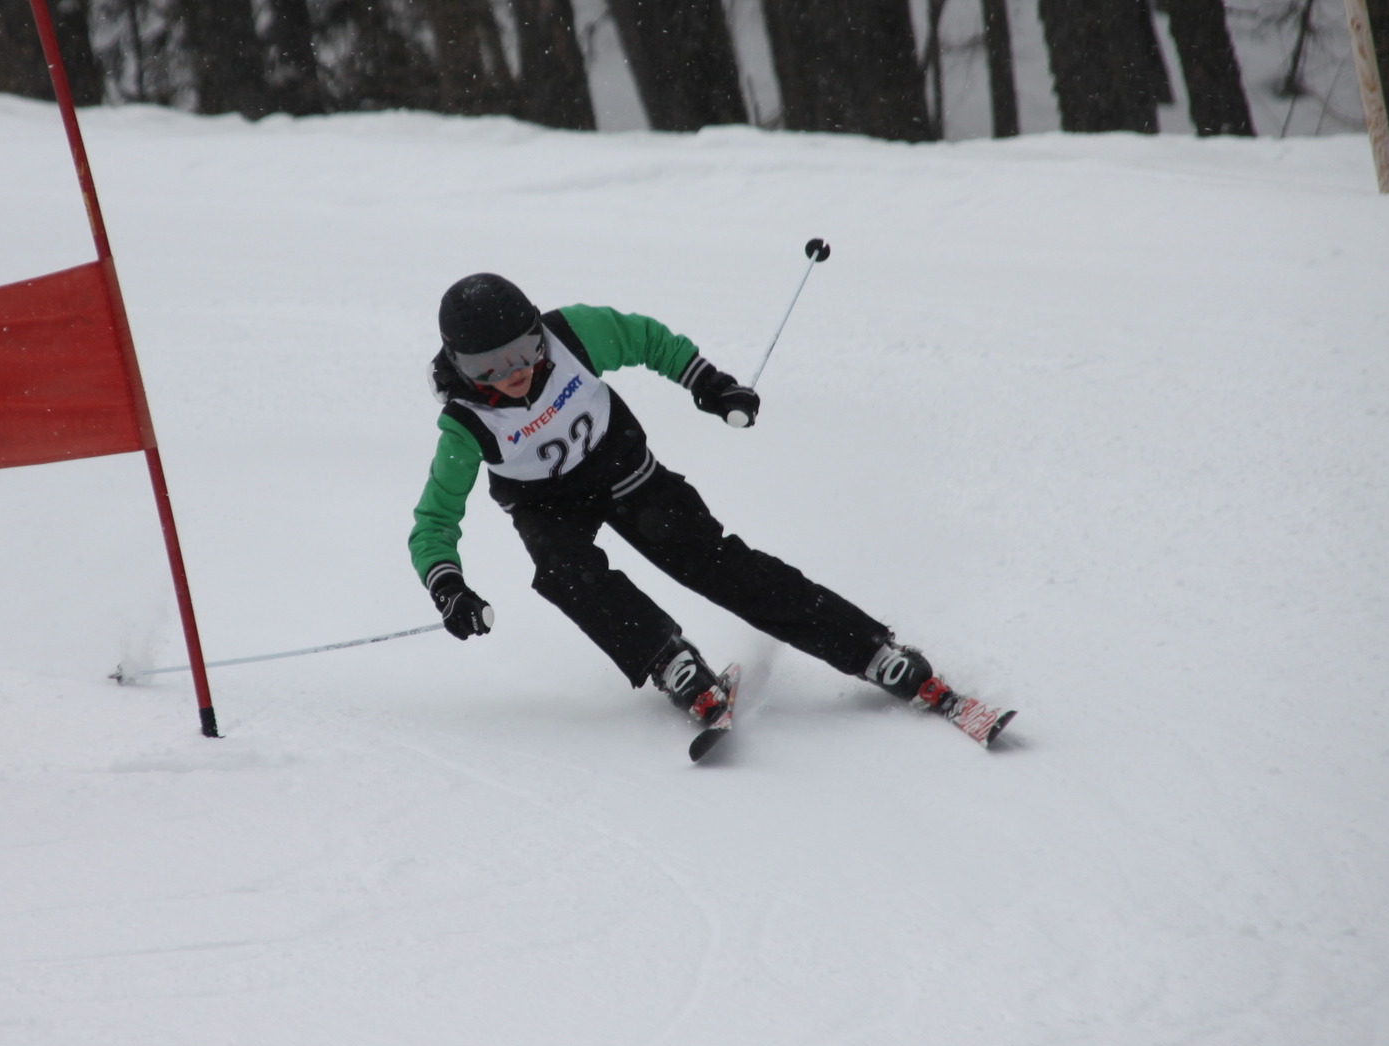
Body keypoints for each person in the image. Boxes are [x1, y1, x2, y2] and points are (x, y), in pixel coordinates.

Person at [409, 273, 1001, 740]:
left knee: (714, 563)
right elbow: (434, 521)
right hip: (547, 508)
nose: (512, 373)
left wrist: (708, 384)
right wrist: (448, 587)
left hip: (623, 469)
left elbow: (645, 338)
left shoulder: (573, 335)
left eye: (521, 351)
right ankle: (667, 660)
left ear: (539, 330)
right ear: (458, 364)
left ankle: (870, 649)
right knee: (565, 574)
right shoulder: (465, 425)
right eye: (486, 367)